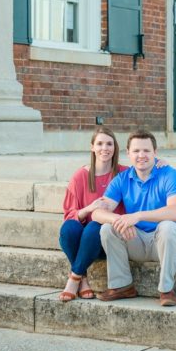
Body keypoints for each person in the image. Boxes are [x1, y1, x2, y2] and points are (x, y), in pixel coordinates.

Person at [92, 129, 176, 307]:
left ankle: (166, 290)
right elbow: (97, 212)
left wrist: (137, 216)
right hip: (137, 241)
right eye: (136, 151)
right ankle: (122, 286)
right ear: (128, 153)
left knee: (167, 226)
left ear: (155, 152)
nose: (141, 155)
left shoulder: (169, 174)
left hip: (168, 241)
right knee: (107, 228)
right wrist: (118, 220)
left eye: (146, 150)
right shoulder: (122, 179)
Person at [58, 126, 125, 302]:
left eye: (109, 144)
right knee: (69, 228)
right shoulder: (80, 176)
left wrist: (159, 161)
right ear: (92, 147)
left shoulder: (124, 174)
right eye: (100, 143)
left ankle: (74, 279)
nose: (105, 148)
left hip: (106, 239)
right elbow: (69, 214)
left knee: (95, 227)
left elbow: (147, 169)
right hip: (81, 242)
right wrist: (89, 208)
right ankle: (83, 278)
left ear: (115, 147)